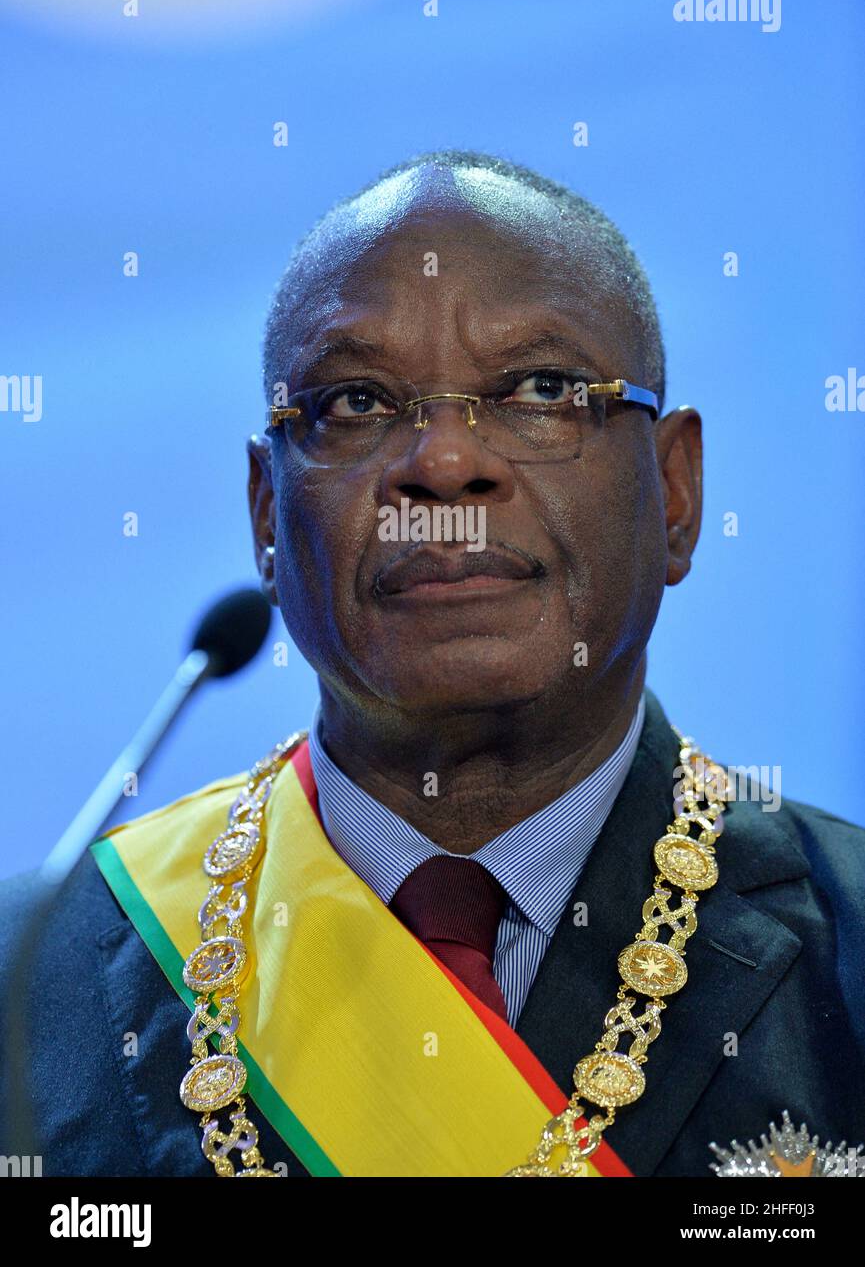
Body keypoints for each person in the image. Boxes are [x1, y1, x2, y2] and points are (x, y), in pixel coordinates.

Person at [2, 150, 863, 1178]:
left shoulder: (845, 946)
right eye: (356, 403)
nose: (444, 463)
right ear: (267, 517)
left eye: (543, 389)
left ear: (675, 493)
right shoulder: (29, 990)